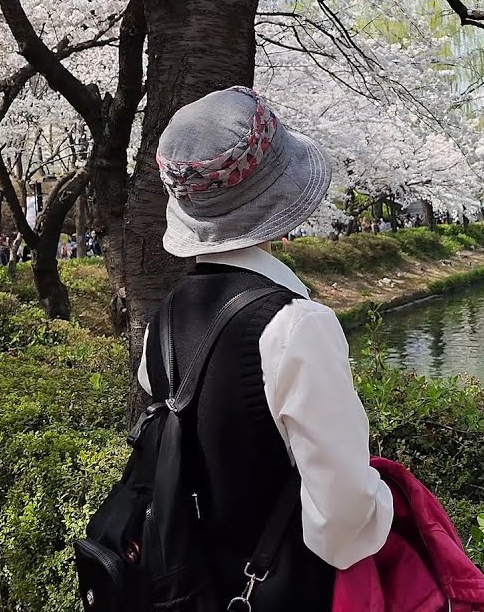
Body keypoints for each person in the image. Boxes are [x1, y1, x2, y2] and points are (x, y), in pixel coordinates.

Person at [136, 87, 392, 607]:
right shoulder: (296, 326)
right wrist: (389, 501)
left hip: (198, 582)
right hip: (284, 591)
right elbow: (342, 516)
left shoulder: (162, 322)